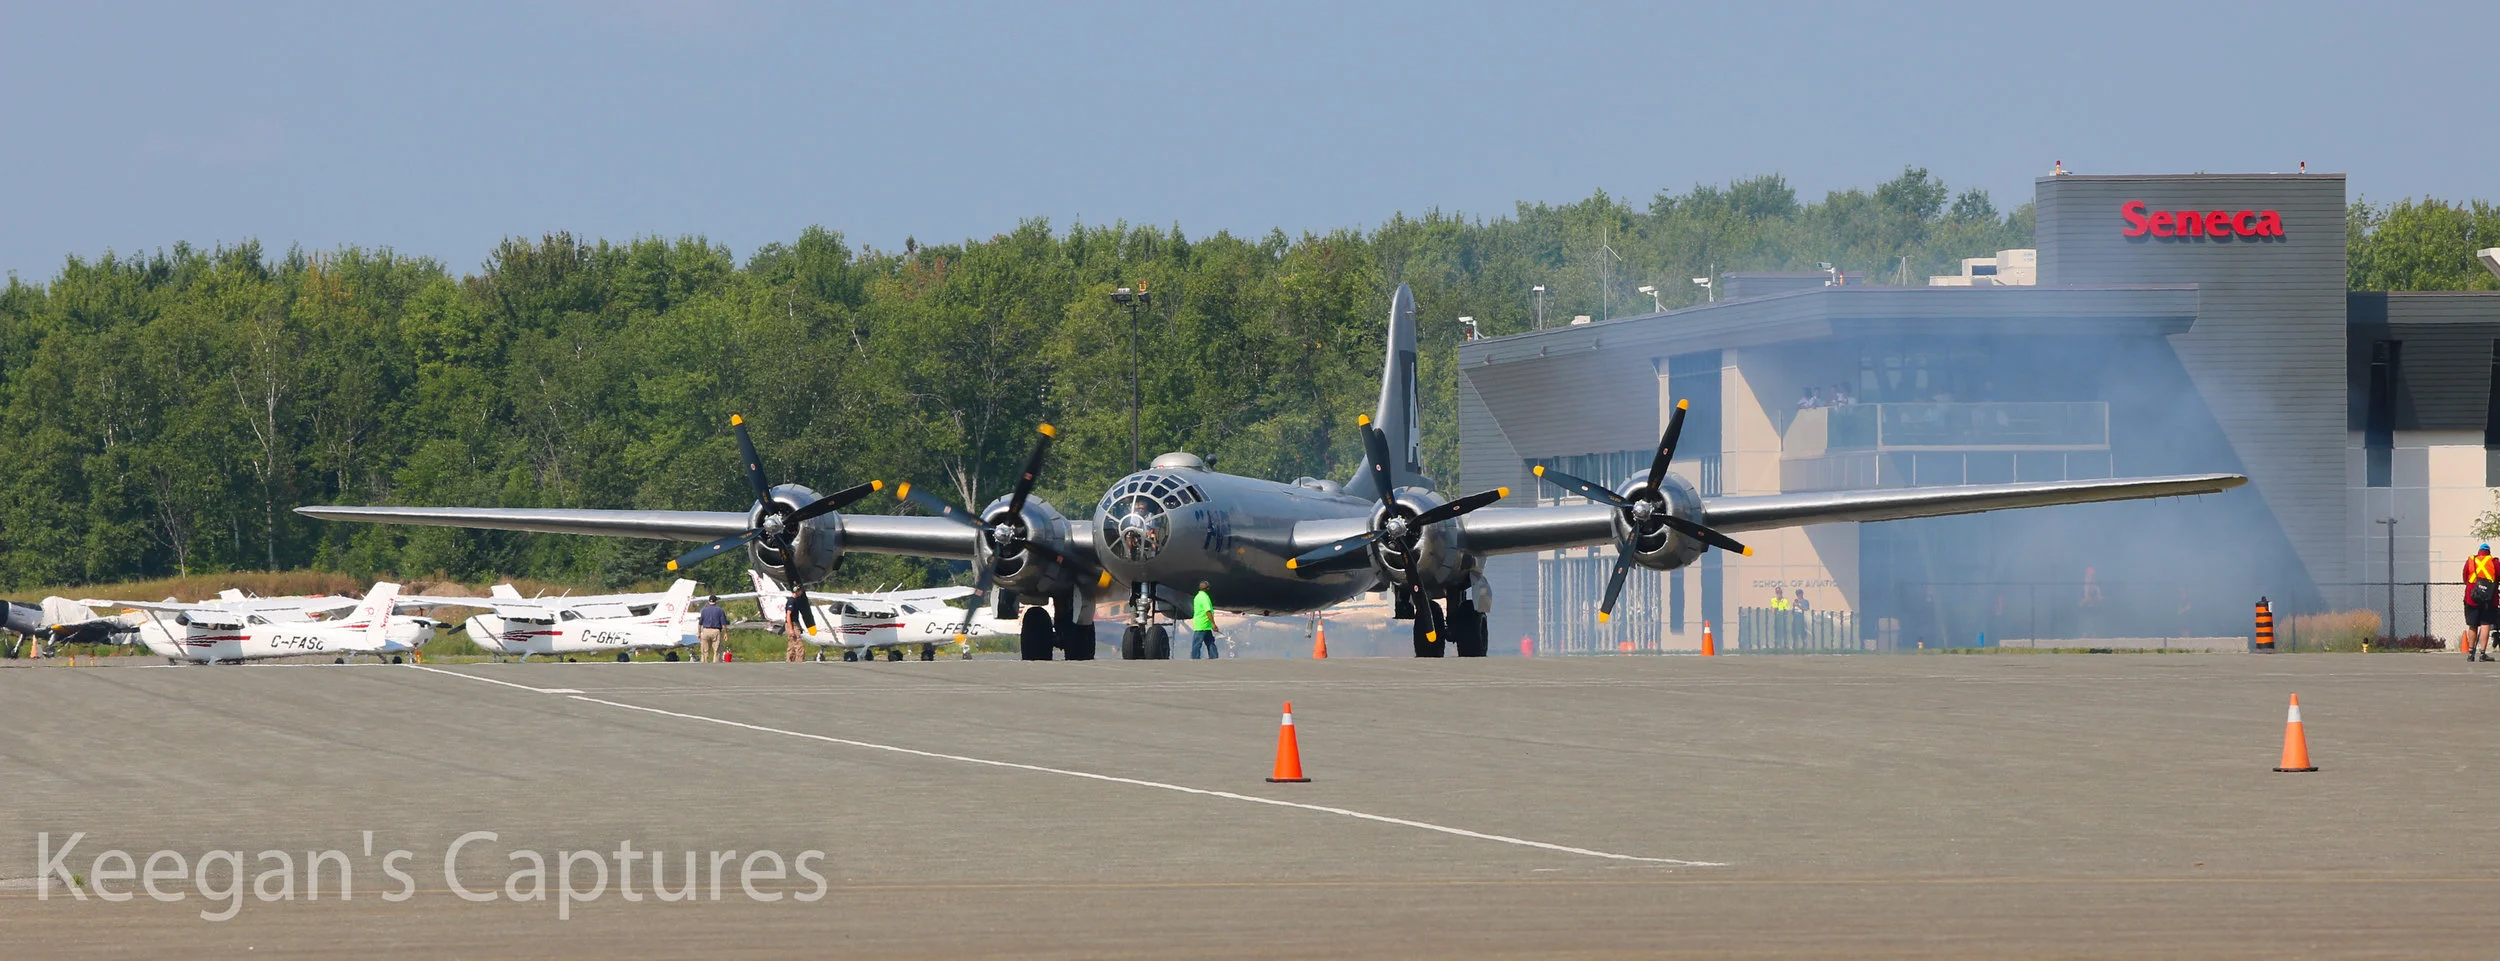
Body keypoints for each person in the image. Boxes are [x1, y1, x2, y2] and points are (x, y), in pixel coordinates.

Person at [2463, 545, 2499, 661]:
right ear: (2489, 552)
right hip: (2489, 598)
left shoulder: (2471, 561)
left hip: (2472, 597)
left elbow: (2465, 577)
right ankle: (2482, 653)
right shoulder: (2494, 562)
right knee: (2485, 624)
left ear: (2479, 552)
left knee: (2472, 625)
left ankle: (2470, 653)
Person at [1190, 581, 1219, 659]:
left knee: (1210, 642)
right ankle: (1195, 659)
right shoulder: (1205, 597)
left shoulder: (1197, 596)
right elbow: (1208, 611)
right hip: (1203, 623)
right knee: (1197, 643)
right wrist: (1213, 623)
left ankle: (1214, 657)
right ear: (1207, 588)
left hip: (1202, 623)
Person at [697, 595, 728, 663]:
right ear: (716, 601)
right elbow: (723, 624)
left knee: (705, 650)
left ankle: (704, 663)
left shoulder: (704, 610)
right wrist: (725, 633)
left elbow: (700, 623)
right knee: (717, 651)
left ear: (709, 602)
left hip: (705, 630)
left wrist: (699, 632)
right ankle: (715, 665)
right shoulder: (720, 610)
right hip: (715, 631)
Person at [784, 591, 807, 663]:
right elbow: (788, 615)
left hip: (794, 624)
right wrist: (791, 629)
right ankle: (799, 663)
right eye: (800, 591)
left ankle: (790, 662)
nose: (801, 593)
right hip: (792, 624)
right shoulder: (791, 601)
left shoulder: (794, 601)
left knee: (792, 645)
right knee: (799, 645)